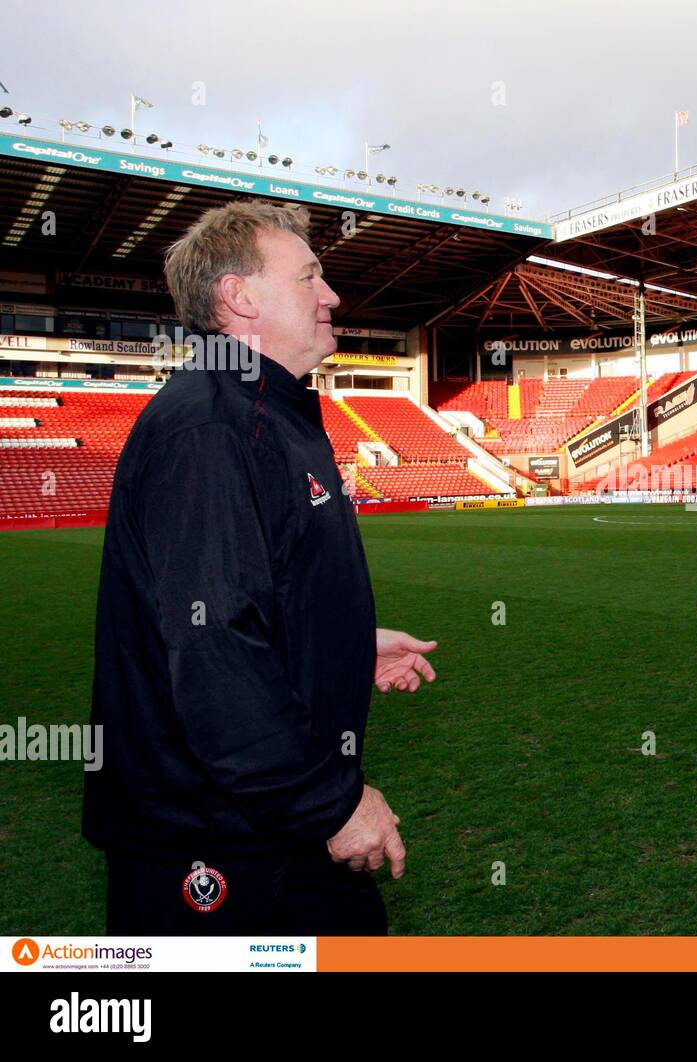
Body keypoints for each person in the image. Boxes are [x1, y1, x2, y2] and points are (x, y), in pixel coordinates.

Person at [84, 199, 437, 934]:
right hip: (216, 844)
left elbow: (246, 597)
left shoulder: (271, 412)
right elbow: (214, 649)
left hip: (268, 823)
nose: (332, 295)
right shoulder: (210, 427)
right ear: (239, 298)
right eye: (310, 276)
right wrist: (330, 804)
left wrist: (341, 646)